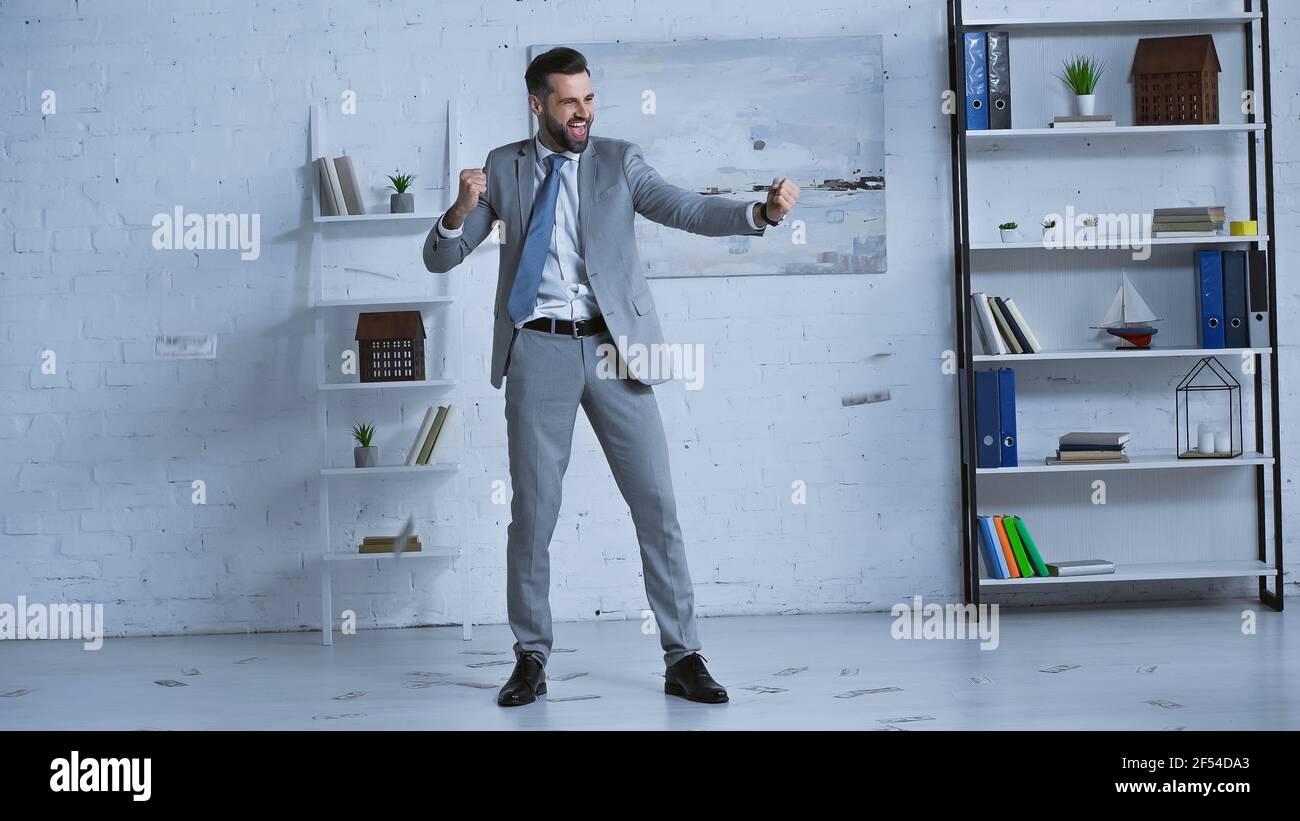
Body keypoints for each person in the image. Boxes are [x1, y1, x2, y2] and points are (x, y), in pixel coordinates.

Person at [423, 46, 799, 706]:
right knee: (533, 515)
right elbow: (442, 256)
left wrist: (757, 214)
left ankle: (684, 655)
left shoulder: (618, 161)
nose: (583, 112)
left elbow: (683, 207)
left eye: (589, 99)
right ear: (537, 103)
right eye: (569, 100)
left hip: (614, 350)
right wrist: (459, 207)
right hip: (537, 351)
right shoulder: (503, 168)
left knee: (657, 505)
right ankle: (530, 656)